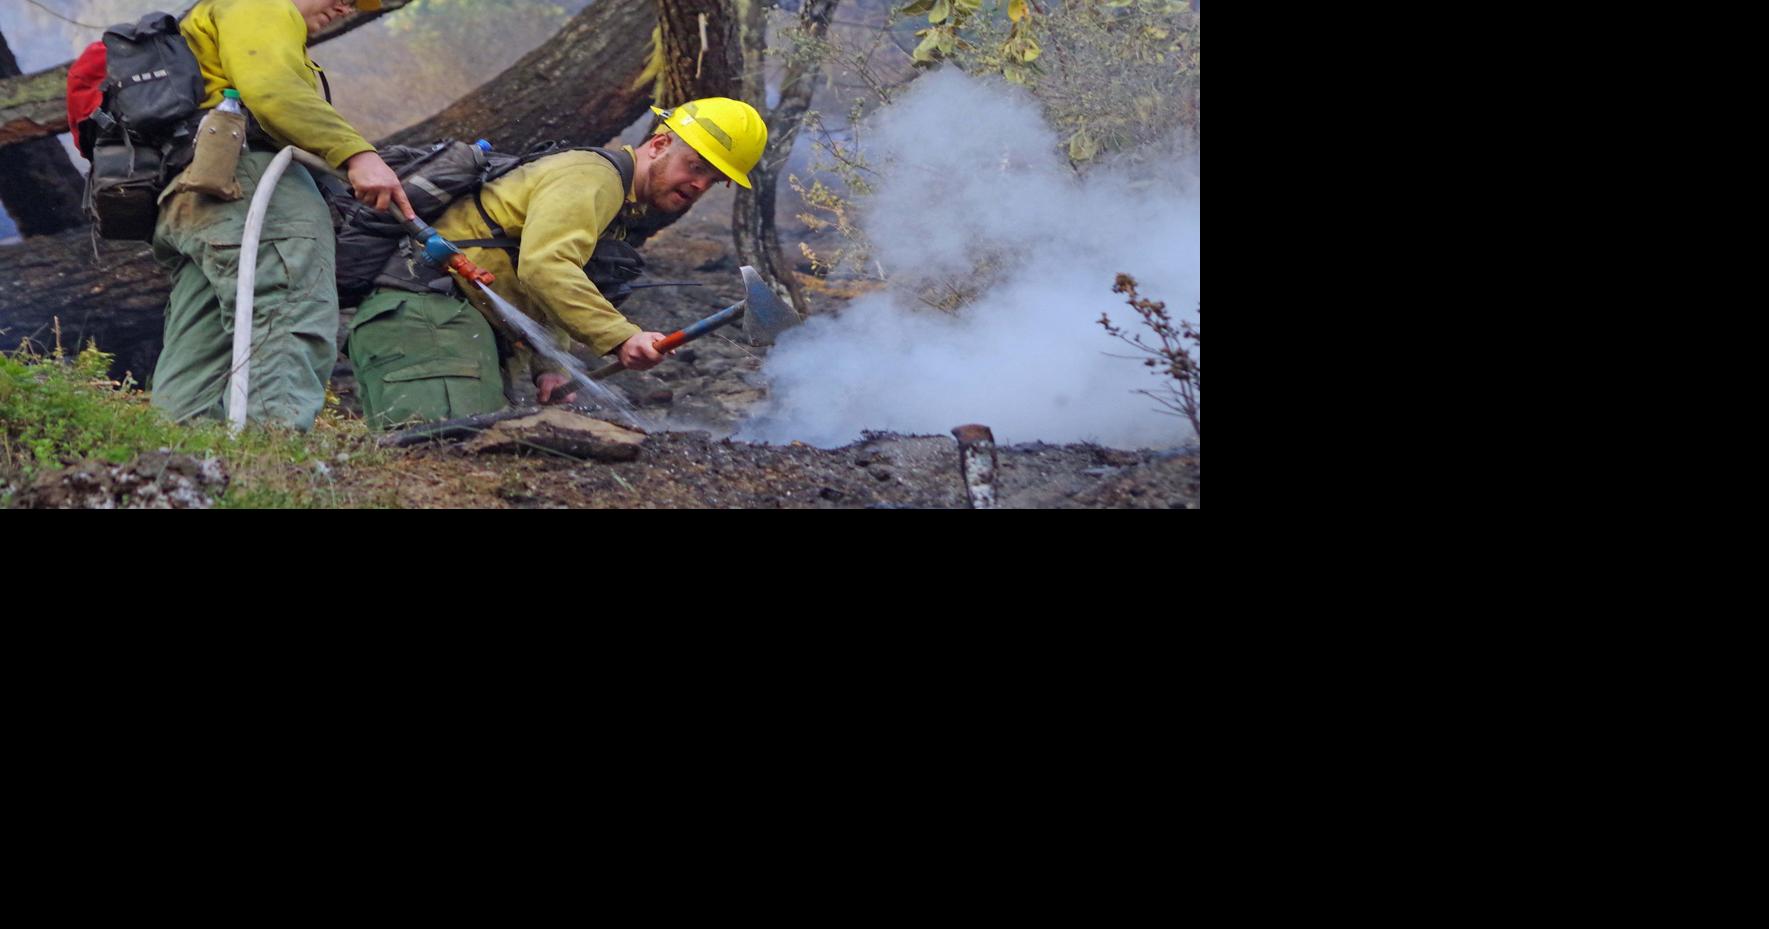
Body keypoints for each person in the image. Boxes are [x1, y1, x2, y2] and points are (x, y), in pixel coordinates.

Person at [344, 97, 767, 429]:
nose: (699, 184)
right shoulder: (592, 177)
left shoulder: (616, 205)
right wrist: (621, 337)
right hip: (428, 320)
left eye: (714, 180)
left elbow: (545, 284)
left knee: (474, 460)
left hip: (459, 328)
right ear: (659, 145)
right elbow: (545, 266)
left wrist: (550, 366)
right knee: (440, 457)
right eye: (696, 167)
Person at [151, 0, 414, 430]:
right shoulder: (261, 4)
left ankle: (178, 469)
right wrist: (358, 154)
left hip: (197, 190)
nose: (347, 7)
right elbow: (270, 87)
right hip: (249, 180)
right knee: (289, 308)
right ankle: (273, 461)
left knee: (204, 344)